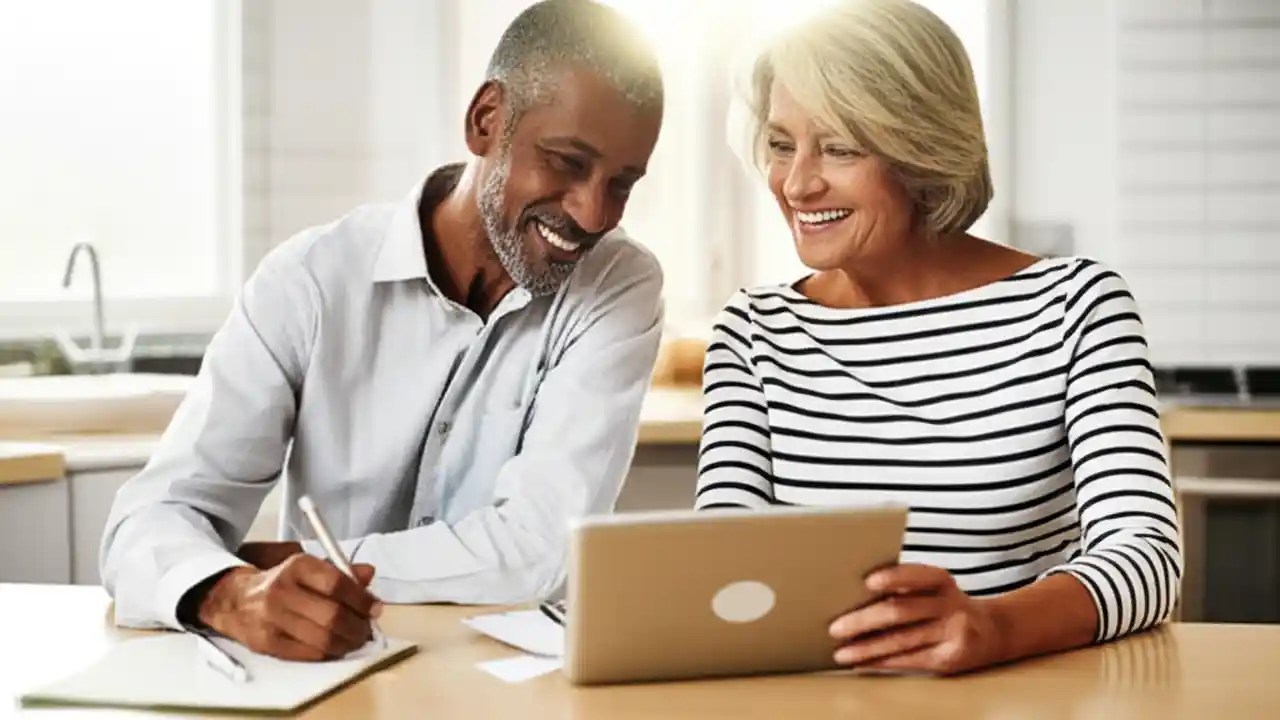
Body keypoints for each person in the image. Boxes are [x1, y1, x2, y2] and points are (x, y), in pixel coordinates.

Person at [101, 0, 665, 661]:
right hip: (323, 679)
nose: (593, 213)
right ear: (487, 121)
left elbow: (544, 550)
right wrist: (230, 593)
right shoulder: (309, 282)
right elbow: (146, 524)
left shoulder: (619, 285)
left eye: (622, 183)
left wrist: (296, 560)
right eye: (568, 162)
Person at [697, 0, 1180, 675]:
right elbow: (722, 568)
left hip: (1023, 696)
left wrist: (992, 627)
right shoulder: (753, 333)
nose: (798, 182)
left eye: (839, 147)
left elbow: (1147, 554)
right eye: (782, 145)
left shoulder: (1075, 306)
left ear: (920, 149)